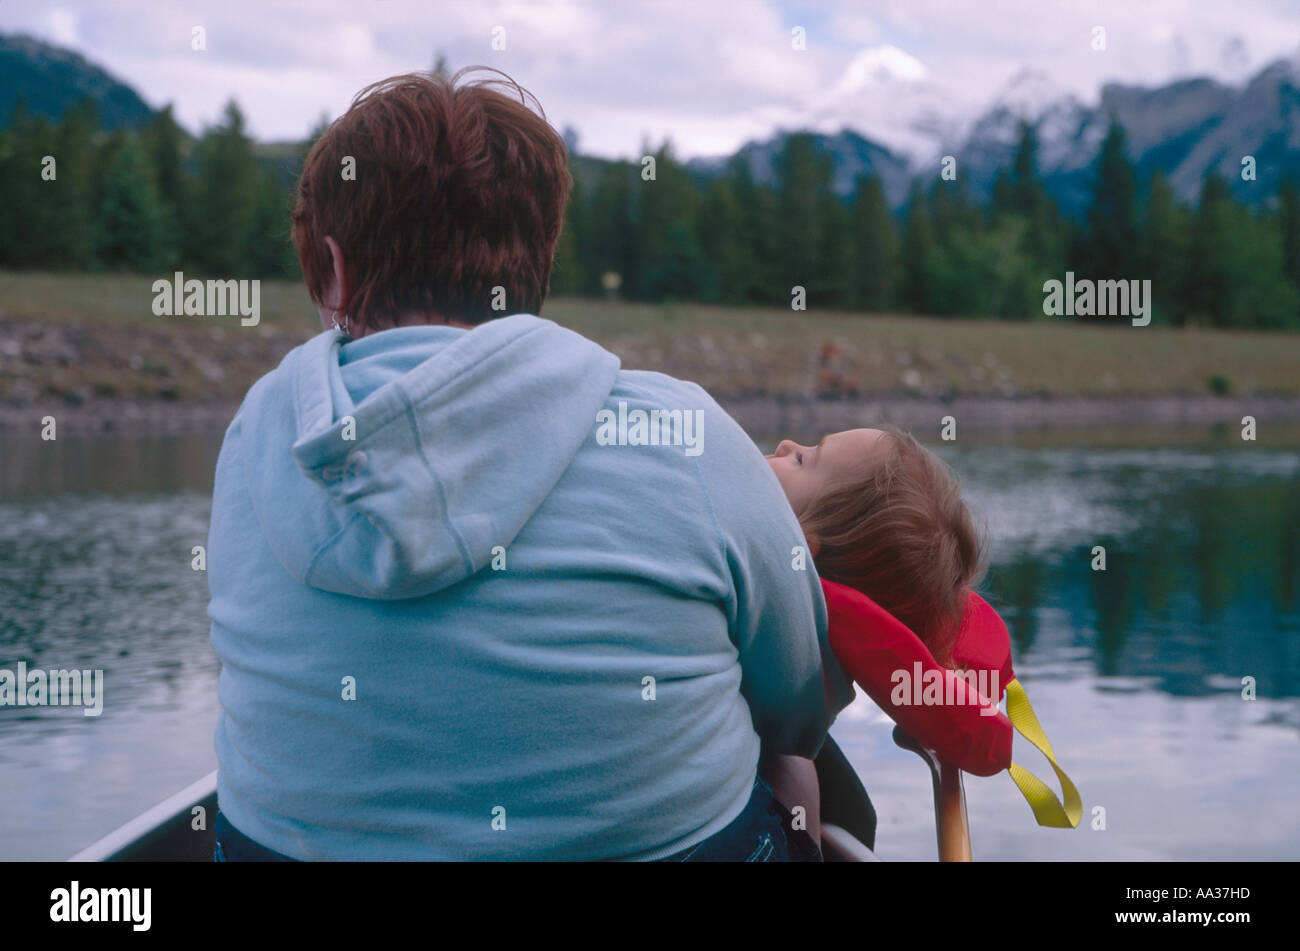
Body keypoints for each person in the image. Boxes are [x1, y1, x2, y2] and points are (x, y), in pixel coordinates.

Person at [206, 67, 854, 862]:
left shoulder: (253, 438)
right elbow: (798, 702)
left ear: (333, 270)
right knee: (799, 773)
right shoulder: (684, 433)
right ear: (534, 264)